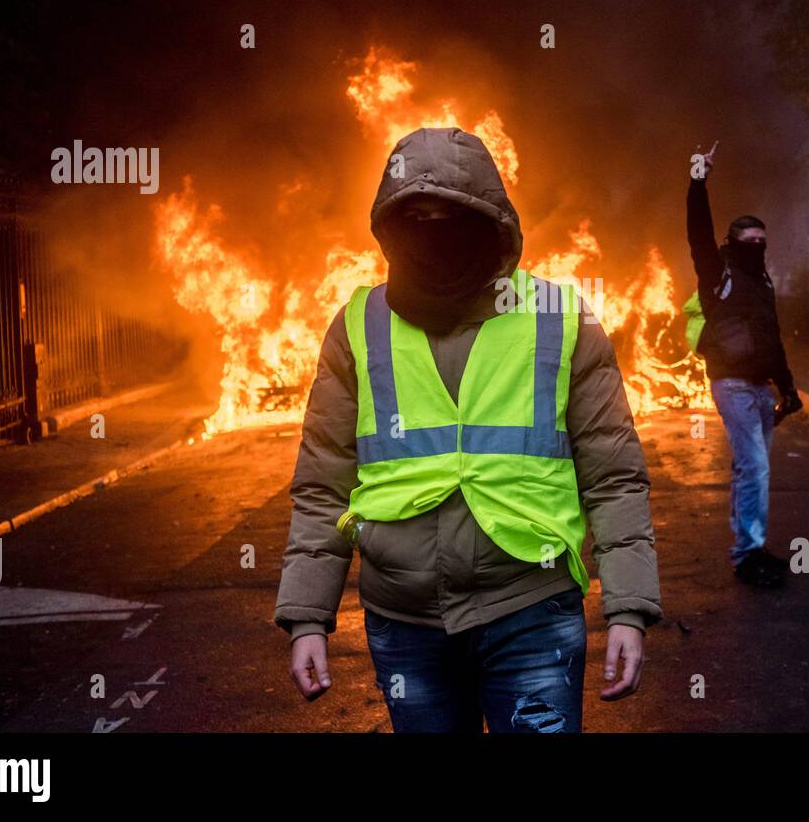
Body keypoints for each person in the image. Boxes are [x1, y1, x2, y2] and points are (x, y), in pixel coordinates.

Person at [276, 127, 661, 732]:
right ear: (389, 225)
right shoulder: (358, 326)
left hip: (530, 607)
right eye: (415, 214)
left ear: (491, 220)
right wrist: (306, 617)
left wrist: (629, 609)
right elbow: (322, 482)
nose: (433, 230)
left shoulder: (559, 319)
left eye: (451, 213)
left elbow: (614, 477)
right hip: (404, 624)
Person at [686, 143, 802, 587]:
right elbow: (698, 232)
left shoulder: (763, 281)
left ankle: (747, 548)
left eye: (761, 241)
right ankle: (748, 554)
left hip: (759, 386)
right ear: (733, 244)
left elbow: (773, 338)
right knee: (755, 467)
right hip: (731, 384)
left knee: (746, 468)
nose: (756, 246)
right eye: (748, 241)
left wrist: (787, 388)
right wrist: (698, 179)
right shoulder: (719, 273)